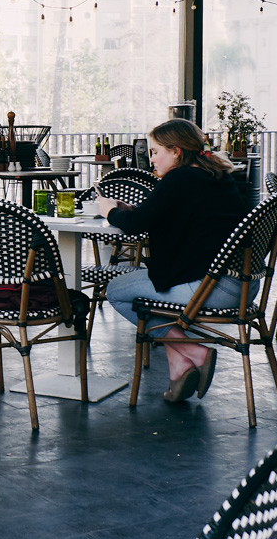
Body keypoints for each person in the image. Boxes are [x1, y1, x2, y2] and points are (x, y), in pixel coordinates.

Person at [98, 118, 248, 403]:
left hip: (211, 288)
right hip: (240, 285)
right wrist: (136, 212)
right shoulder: (215, 175)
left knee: (116, 292)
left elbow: (133, 226)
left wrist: (109, 211)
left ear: (176, 151)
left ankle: (194, 351)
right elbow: (167, 217)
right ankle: (179, 367)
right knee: (147, 296)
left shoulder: (180, 178)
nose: (151, 159)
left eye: (155, 151)